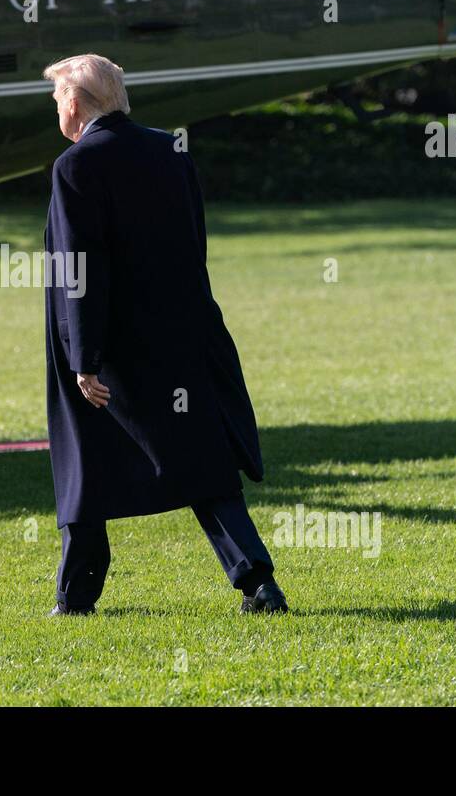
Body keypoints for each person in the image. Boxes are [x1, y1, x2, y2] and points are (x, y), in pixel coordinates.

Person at [42, 53, 287, 616]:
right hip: (182, 333)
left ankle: (75, 599)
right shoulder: (170, 150)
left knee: (84, 464)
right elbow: (194, 245)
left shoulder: (75, 165)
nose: (57, 107)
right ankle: (258, 582)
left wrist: (84, 356)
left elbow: (80, 268)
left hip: (106, 343)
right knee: (202, 461)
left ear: (75, 103)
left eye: (57, 98)